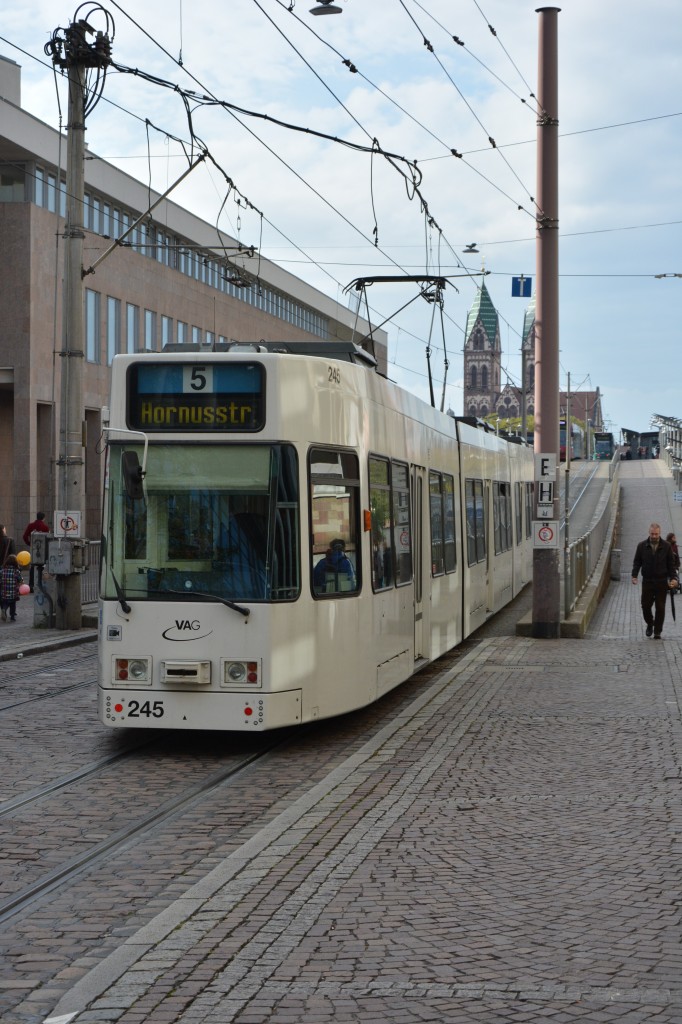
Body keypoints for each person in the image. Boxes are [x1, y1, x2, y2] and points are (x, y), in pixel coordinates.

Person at [631, 522, 678, 639]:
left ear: (659, 533)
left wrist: (674, 578)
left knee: (660, 608)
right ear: (649, 532)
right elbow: (637, 562)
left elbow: (671, 564)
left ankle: (657, 631)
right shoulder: (641, 546)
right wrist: (634, 575)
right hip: (647, 581)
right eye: (652, 534)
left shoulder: (667, 546)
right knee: (645, 606)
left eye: (656, 534)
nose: (654, 536)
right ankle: (650, 623)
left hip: (661, 581)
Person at [22, 511, 49, 591]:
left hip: (33, 548)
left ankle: (31, 585)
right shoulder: (45, 527)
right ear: (43, 518)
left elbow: (25, 536)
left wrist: (29, 543)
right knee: (42, 566)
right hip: (43, 549)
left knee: (33, 566)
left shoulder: (31, 525)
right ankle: (41, 584)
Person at [0, 553, 23, 622]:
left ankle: (4, 609)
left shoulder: (2, 571)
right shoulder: (16, 571)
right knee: (13, 604)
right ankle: (12, 617)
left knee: (5, 603)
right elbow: (20, 580)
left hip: (4, 591)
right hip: (13, 591)